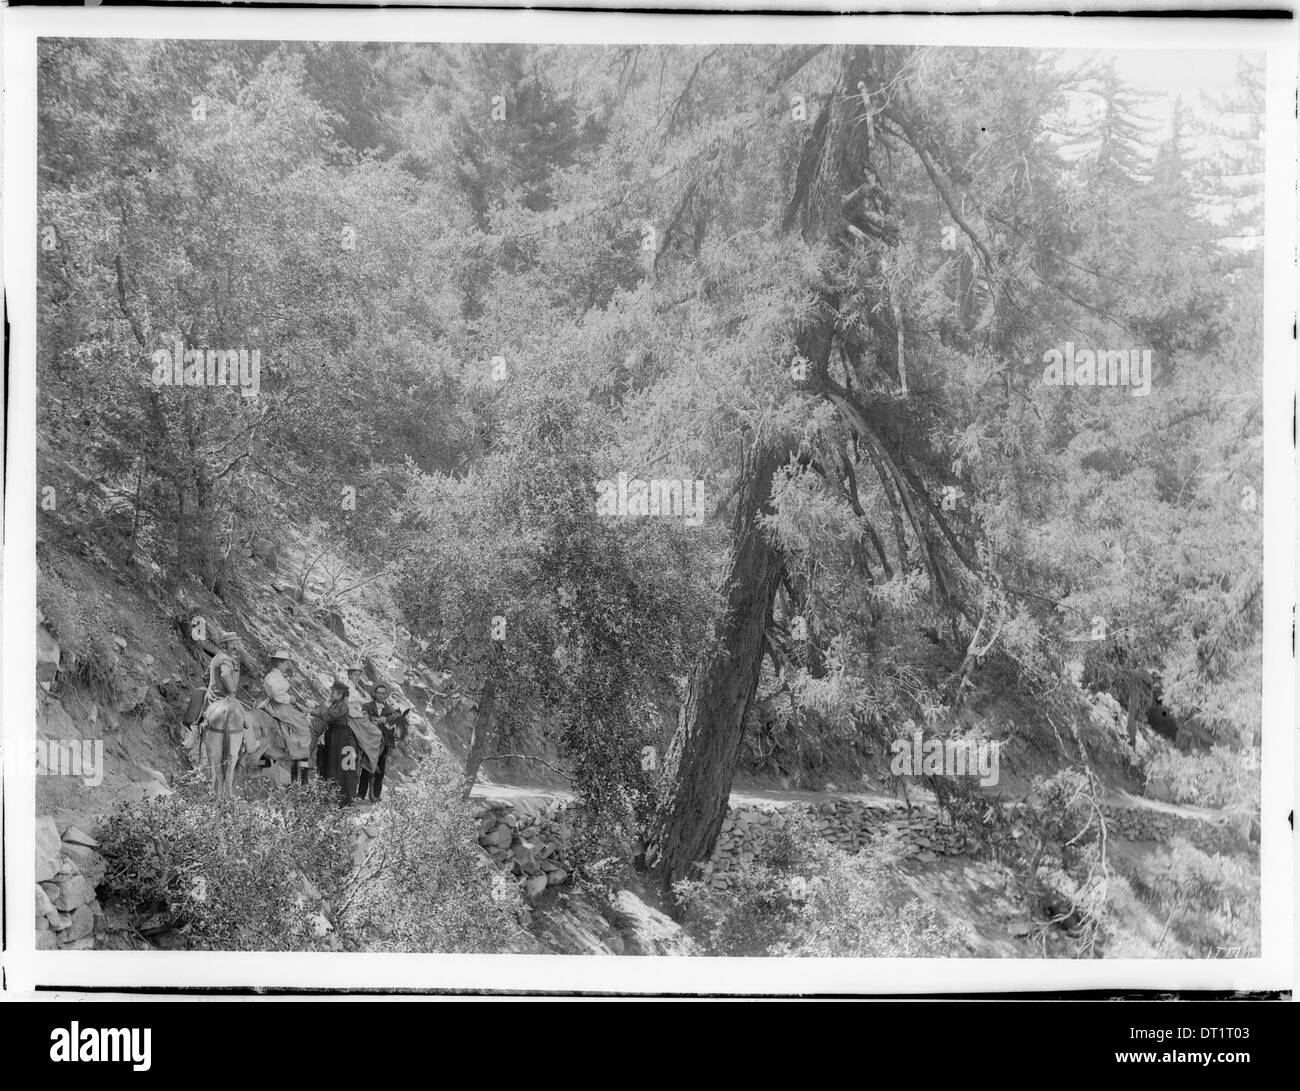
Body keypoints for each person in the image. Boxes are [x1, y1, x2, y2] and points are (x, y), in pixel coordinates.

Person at [262, 649, 313, 784]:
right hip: (279, 706)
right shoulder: (274, 677)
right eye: (286, 663)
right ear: (279, 663)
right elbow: (276, 696)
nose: (287, 666)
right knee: (302, 724)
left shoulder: (275, 676)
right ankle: (299, 751)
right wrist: (290, 699)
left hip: (274, 703)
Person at [313, 681, 360, 805]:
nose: (331, 694)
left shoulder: (342, 705)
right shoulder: (336, 704)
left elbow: (329, 716)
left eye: (334, 692)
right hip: (334, 734)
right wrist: (310, 711)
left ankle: (342, 798)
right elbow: (326, 715)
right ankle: (332, 796)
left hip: (340, 736)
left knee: (338, 764)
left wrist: (311, 711)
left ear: (340, 694)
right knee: (332, 763)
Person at [358, 683, 404, 802]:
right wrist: (374, 719)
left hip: (384, 742)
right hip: (370, 741)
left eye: (383, 693)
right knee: (366, 766)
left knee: (381, 768)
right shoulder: (367, 706)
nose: (380, 695)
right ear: (374, 693)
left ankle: (376, 795)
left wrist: (386, 719)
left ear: (386, 695)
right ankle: (361, 794)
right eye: (378, 693)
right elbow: (363, 717)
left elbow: (395, 718)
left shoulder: (389, 709)